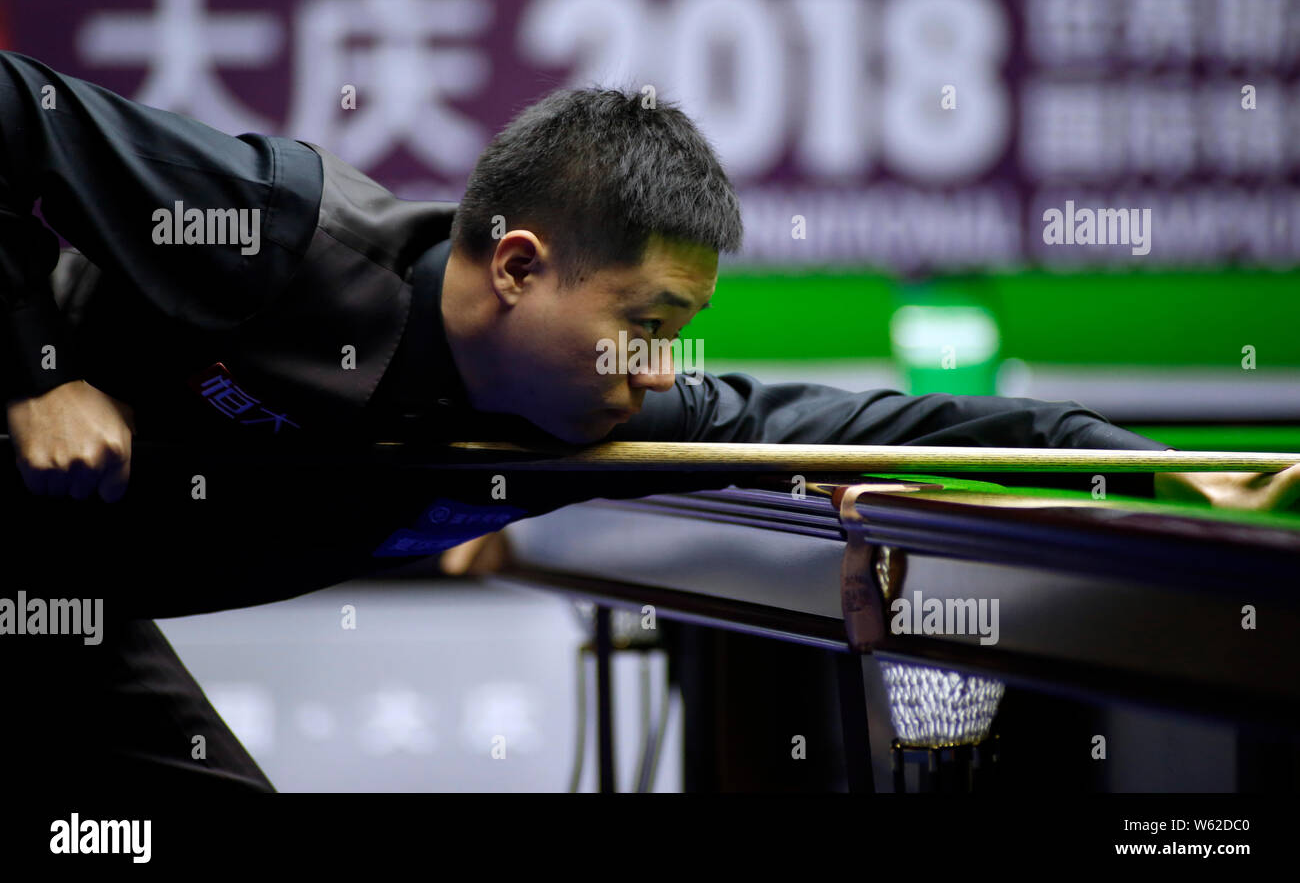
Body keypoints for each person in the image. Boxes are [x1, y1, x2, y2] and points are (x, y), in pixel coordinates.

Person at [1, 50, 1295, 792]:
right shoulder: (281, 233)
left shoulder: (588, 410)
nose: (657, 364)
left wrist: (1149, 472)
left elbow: (855, 421)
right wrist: (30, 374)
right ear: (515, 268)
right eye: (652, 318)